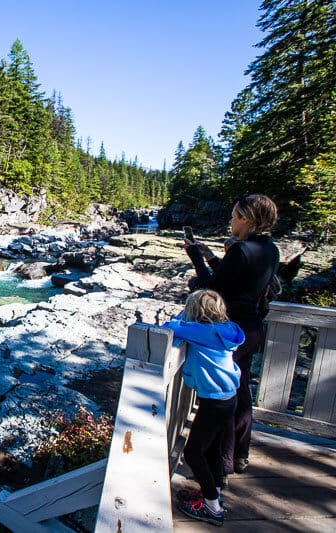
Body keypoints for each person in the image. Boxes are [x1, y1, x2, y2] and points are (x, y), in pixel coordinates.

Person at [184, 194, 280, 476]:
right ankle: (240, 453)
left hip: (230, 332)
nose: (231, 219)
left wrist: (194, 256)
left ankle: (220, 465)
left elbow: (213, 289)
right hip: (252, 330)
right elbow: (236, 278)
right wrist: (211, 256)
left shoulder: (240, 250)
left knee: (223, 397)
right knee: (241, 390)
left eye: (235, 215)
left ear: (247, 220)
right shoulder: (269, 249)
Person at [164, 289, 244, 526]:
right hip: (229, 399)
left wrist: (182, 317)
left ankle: (212, 507)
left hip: (214, 403)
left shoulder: (203, 332)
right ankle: (214, 492)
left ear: (195, 312)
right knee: (212, 449)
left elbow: (173, 327)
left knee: (192, 452)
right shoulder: (227, 330)